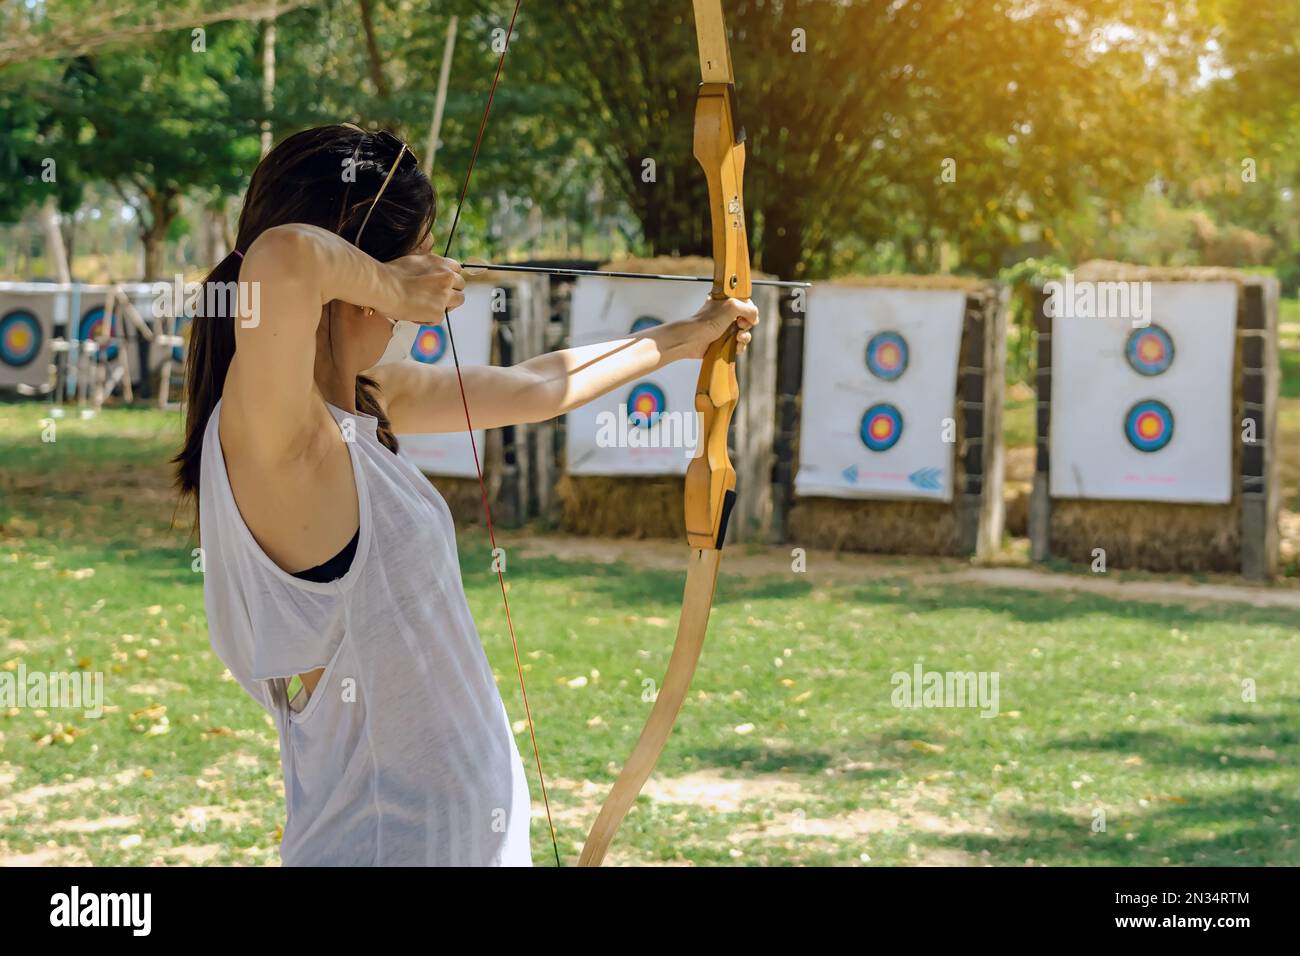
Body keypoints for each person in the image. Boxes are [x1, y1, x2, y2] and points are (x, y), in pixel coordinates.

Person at [172, 124, 757, 865]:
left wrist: (686, 335)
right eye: (418, 254)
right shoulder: (277, 443)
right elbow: (283, 257)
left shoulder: (361, 408)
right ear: (357, 270)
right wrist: (394, 283)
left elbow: (543, 386)